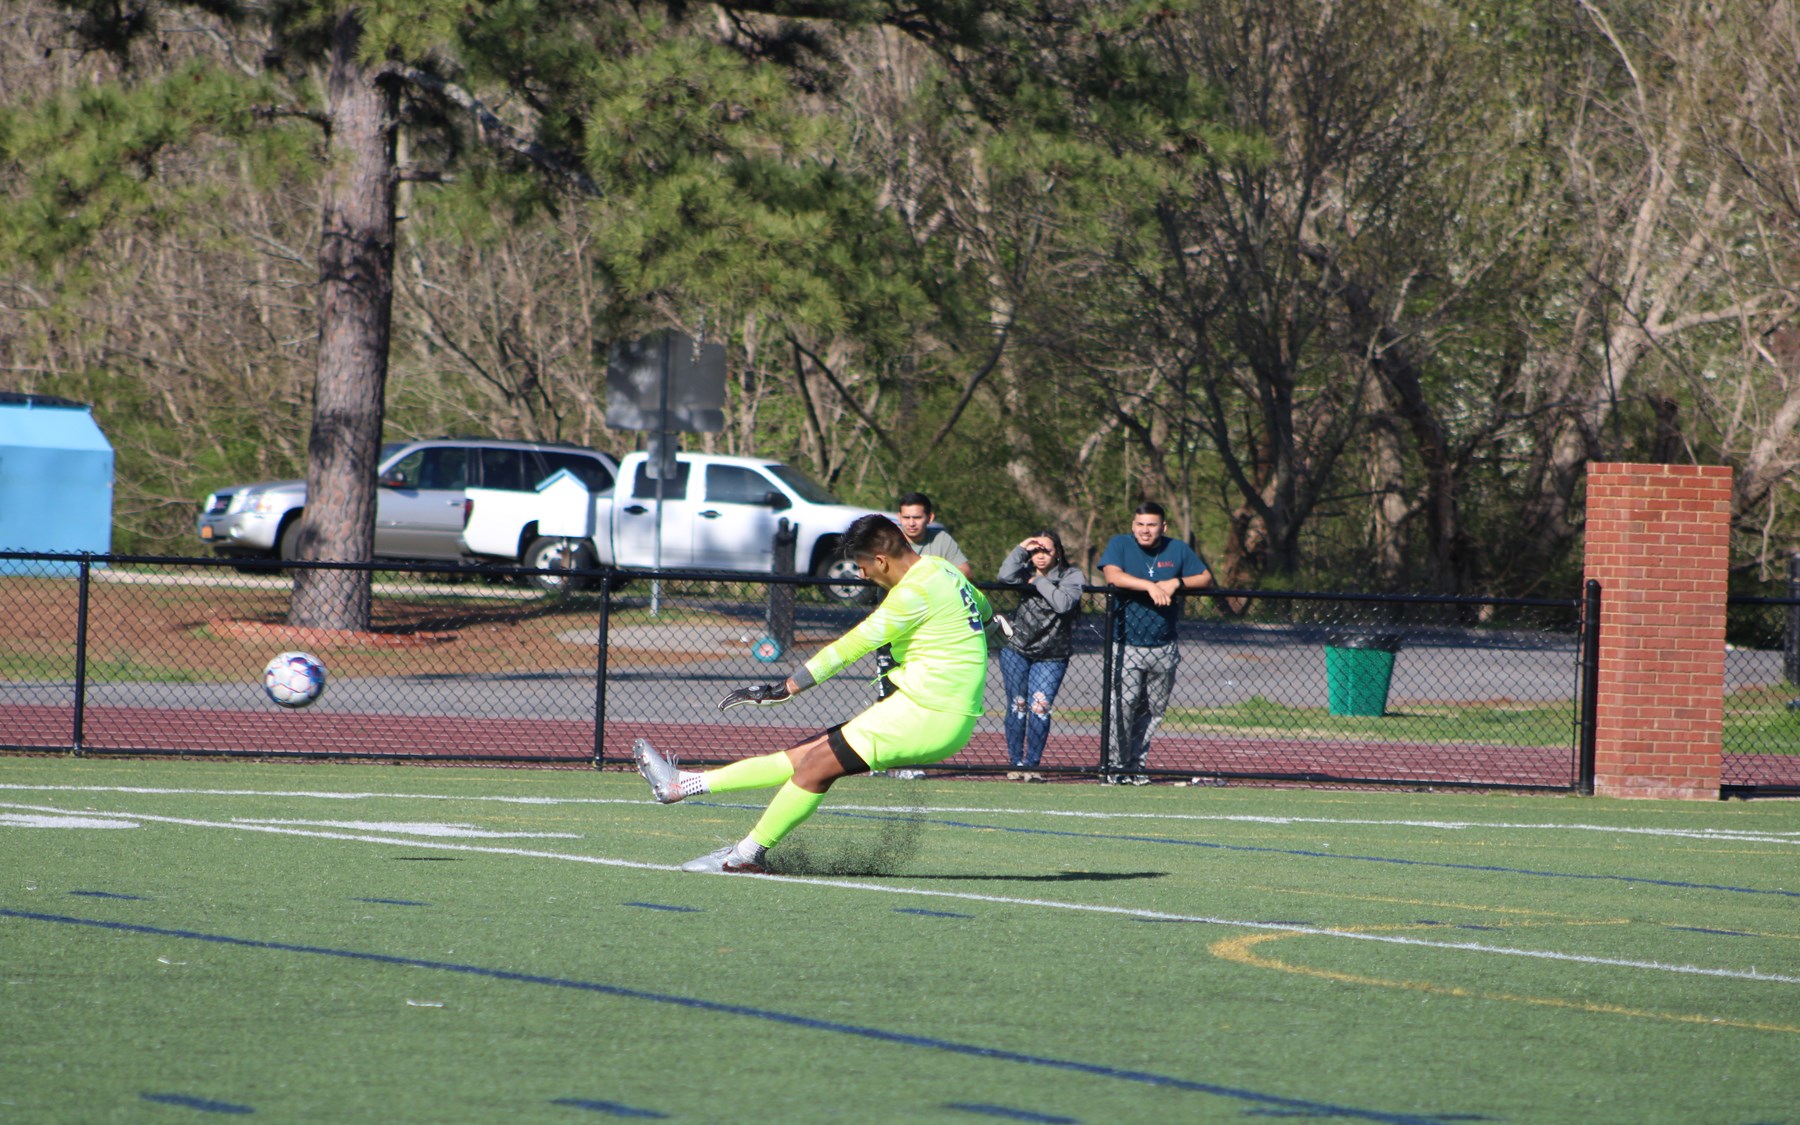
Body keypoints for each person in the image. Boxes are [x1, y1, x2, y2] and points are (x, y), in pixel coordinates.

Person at [632, 514, 993, 873]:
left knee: (817, 765)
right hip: (927, 709)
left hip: (930, 714)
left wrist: (785, 689)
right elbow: (982, 604)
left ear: (880, 560)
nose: (862, 575)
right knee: (802, 755)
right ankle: (681, 786)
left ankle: (743, 856)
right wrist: (994, 624)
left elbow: (849, 647)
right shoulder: (941, 569)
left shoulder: (911, 593)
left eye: (863, 565)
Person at [1097, 502, 1212, 785]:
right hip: (1126, 645)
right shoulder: (1120, 544)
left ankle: (1137, 767)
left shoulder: (1177, 549)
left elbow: (1205, 577)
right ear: (1132, 525)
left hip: (1164, 645)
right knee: (1123, 706)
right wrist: (1149, 586)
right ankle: (1115, 767)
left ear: (1163, 527)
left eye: (1151, 525)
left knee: (1152, 712)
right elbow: (1112, 575)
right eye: (1140, 524)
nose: (1145, 530)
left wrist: (1176, 583)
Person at [995, 529, 1086, 781]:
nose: (1040, 555)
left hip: (1052, 655)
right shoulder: (1022, 574)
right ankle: (1016, 763)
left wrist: (1040, 582)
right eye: (1035, 551)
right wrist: (1021, 548)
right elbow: (1004, 575)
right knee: (1018, 705)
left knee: (1040, 707)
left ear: (1057, 553)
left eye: (1046, 550)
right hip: (1017, 649)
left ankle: (1032, 765)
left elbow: (1064, 604)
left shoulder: (1071, 575)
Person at [895, 492, 973, 579]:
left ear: (930, 518)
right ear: (899, 517)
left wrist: (936, 578)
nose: (911, 523)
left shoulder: (942, 539)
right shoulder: (888, 539)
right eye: (906, 517)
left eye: (917, 518)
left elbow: (966, 571)